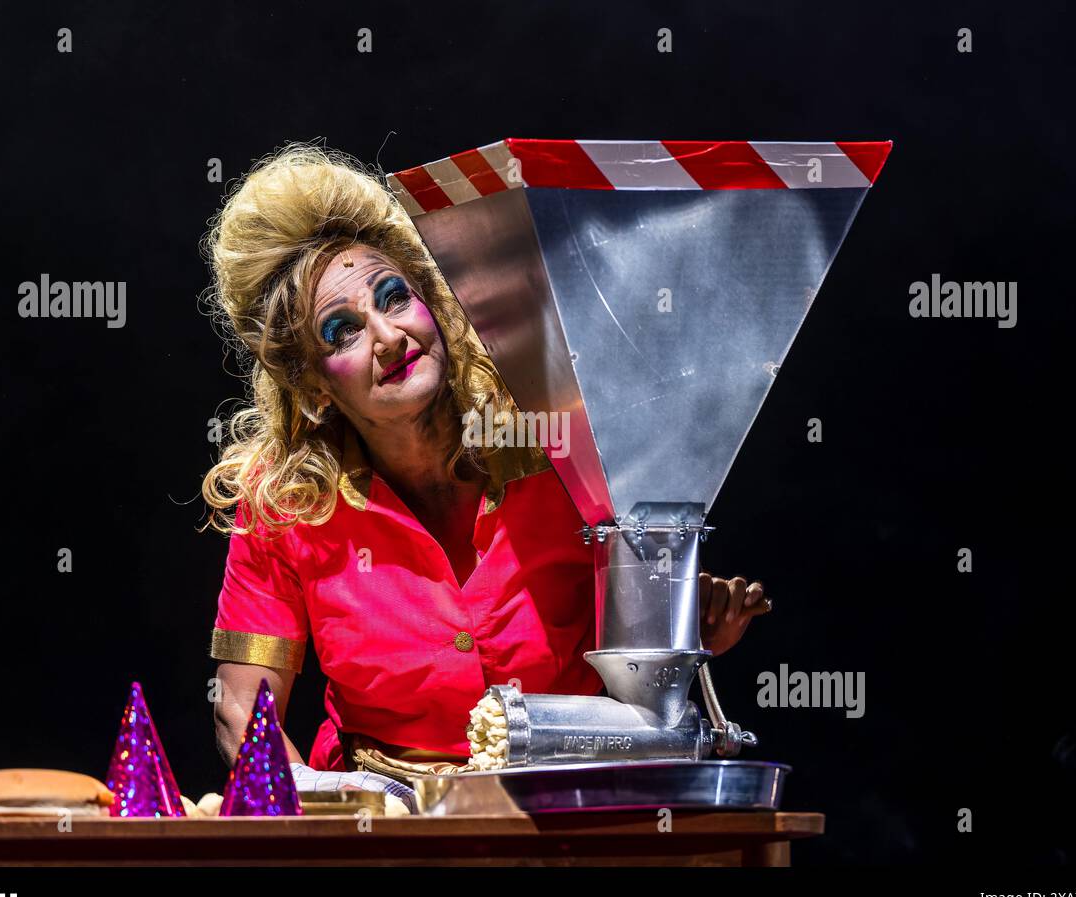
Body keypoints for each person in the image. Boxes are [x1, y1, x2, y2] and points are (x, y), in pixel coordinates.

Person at [200, 144, 771, 807]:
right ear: (310, 385)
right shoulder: (285, 501)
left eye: (394, 297)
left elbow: (643, 659)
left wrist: (684, 627)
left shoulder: (556, 433)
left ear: (432, 304)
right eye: (342, 332)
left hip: (572, 810)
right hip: (385, 828)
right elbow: (242, 712)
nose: (388, 335)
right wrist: (312, 805)